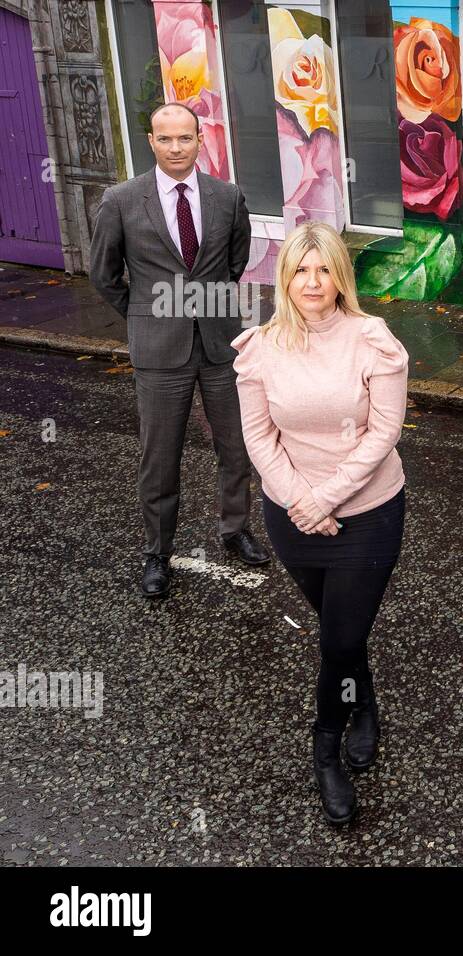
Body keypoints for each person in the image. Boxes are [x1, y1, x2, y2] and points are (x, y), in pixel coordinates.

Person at [231, 221, 409, 826]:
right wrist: (298, 501)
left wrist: (326, 498)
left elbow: (383, 432)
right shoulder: (262, 347)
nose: (312, 281)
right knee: (344, 633)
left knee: (336, 639)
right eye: (301, 269)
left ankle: (324, 747)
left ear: (340, 277)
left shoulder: (373, 340)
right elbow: (258, 435)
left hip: (368, 515)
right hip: (293, 519)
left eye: (324, 269)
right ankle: (366, 704)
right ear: (285, 278)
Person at [89, 102, 269, 598]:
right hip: (158, 349)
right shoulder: (121, 200)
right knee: (159, 456)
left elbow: (236, 259)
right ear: (151, 141)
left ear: (199, 140)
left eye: (185, 138)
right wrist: (144, 312)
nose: (175, 148)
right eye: (165, 139)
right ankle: (157, 554)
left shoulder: (227, 196)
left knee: (235, 446)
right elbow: (103, 275)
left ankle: (236, 530)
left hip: (219, 343)